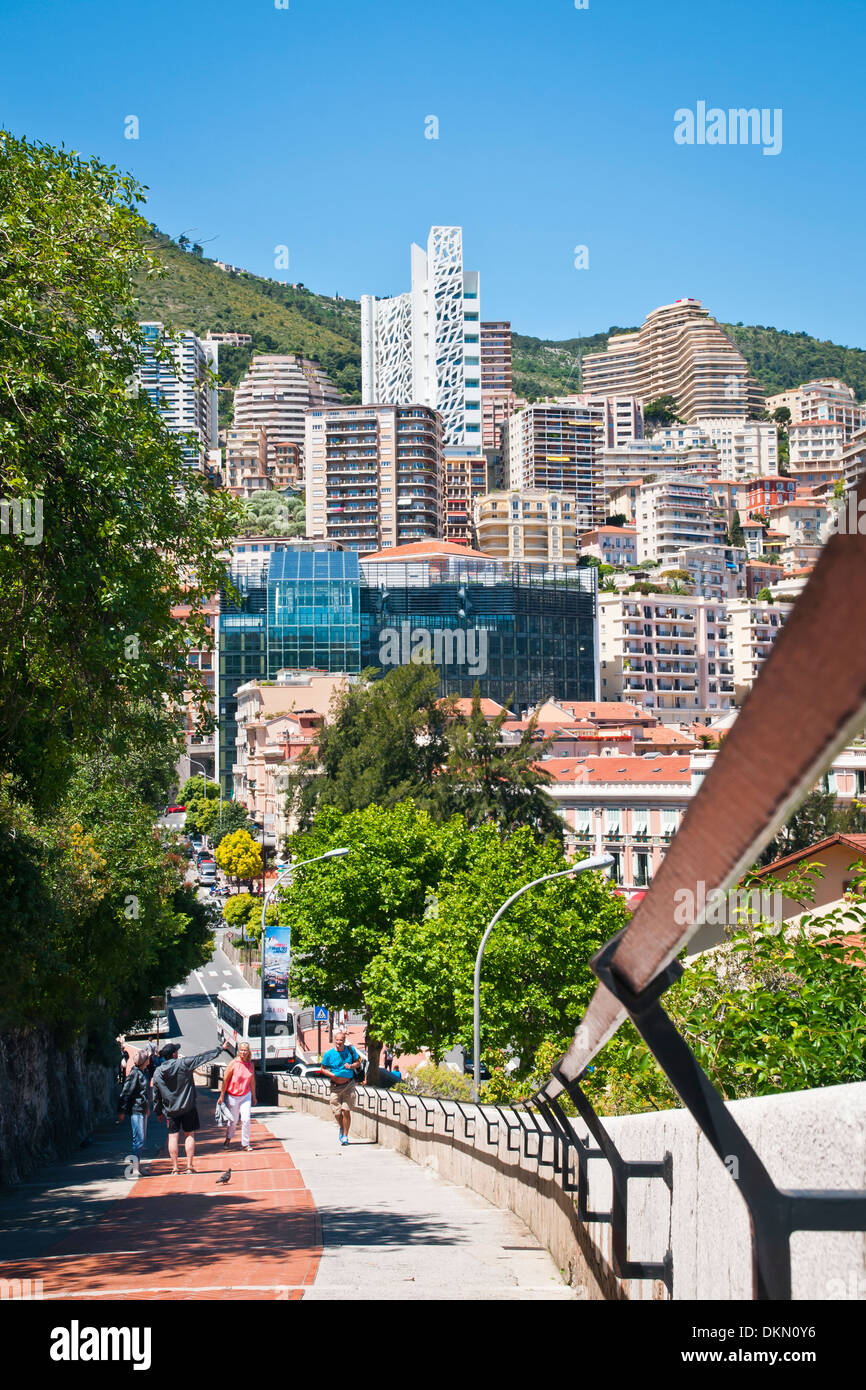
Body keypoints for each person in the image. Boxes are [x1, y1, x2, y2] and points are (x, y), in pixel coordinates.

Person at [152, 1042, 221, 1175]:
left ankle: (175, 1168)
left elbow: (156, 1093)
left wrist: (158, 1111)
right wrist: (219, 1049)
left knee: (172, 1137)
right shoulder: (183, 1063)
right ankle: (189, 1166)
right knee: (189, 1135)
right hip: (188, 1107)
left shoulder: (158, 1072)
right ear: (174, 1054)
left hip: (171, 1109)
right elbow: (201, 1058)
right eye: (176, 1051)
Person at [320, 1028, 364, 1146]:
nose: (339, 1042)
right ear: (335, 1040)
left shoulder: (350, 1050)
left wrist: (351, 1066)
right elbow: (322, 1069)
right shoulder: (329, 1054)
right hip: (335, 1087)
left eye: (341, 1040)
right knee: (337, 1113)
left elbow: (358, 1063)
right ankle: (342, 1127)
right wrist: (332, 1075)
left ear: (344, 1041)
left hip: (349, 1085)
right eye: (337, 1040)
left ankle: (345, 1136)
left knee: (346, 1110)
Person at [217, 1042, 257, 1151]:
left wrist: (254, 1096)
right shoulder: (233, 1063)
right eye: (241, 1050)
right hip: (233, 1095)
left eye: (245, 1050)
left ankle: (245, 1143)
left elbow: (252, 1081)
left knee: (246, 1119)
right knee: (233, 1120)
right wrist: (221, 1096)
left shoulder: (250, 1064)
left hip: (246, 1095)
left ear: (248, 1051)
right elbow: (225, 1080)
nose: (243, 1052)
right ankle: (228, 1138)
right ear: (238, 1051)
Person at [117, 1053, 150, 1171]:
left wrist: (147, 1108)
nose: (149, 1059)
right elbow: (125, 1093)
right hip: (136, 1110)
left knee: (141, 1140)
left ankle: (137, 1166)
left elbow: (144, 1093)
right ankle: (134, 1168)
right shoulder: (135, 1074)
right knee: (139, 1140)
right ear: (143, 1061)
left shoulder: (143, 1072)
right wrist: (121, 1111)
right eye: (147, 1058)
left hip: (142, 1109)